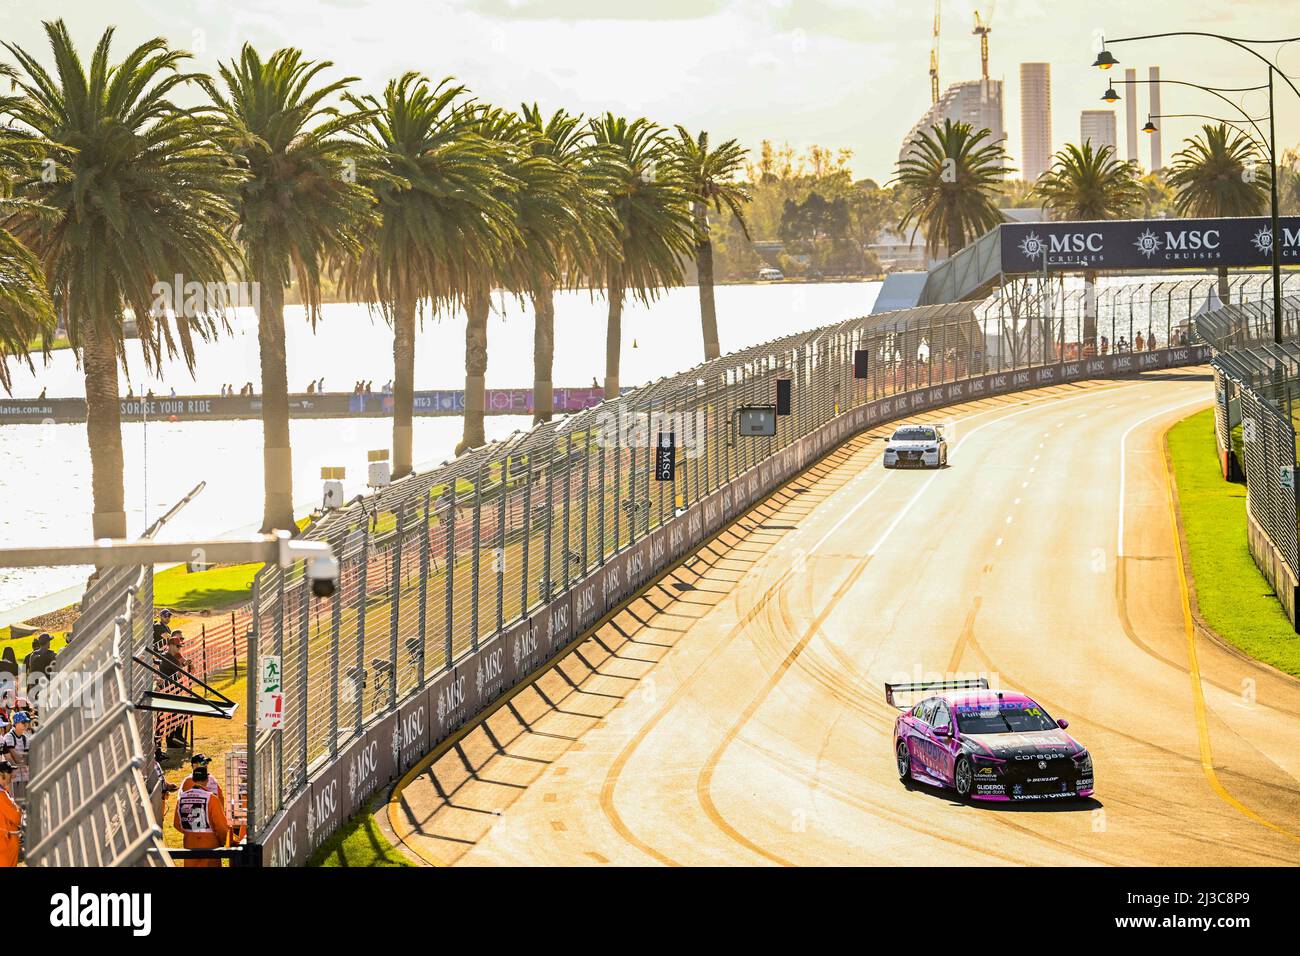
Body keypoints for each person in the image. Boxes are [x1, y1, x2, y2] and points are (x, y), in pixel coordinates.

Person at [173, 760, 229, 867]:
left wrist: (191, 832)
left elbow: (177, 824)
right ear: (207, 780)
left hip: (190, 844)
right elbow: (221, 826)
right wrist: (223, 842)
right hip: (210, 845)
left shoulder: (181, 798)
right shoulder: (211, 798)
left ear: (193, 779)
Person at [0, 712, 31, 801]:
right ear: (16, 723)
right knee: (14, 800)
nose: (26, 724)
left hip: (24, 774)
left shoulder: (25, 738)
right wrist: (19, 763)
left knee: (24, 801)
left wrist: (22, 761)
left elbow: (25, 758)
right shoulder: (9, 737)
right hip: (12, 777)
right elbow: (13, 757)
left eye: (26, 722)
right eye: (23, 722)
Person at [0, 761, 20, 867]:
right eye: (9, 772)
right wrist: (18, 808)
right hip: (5, 841)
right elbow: (16, 817)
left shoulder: (4, 793)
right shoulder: (1, 795)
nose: (11, 775)